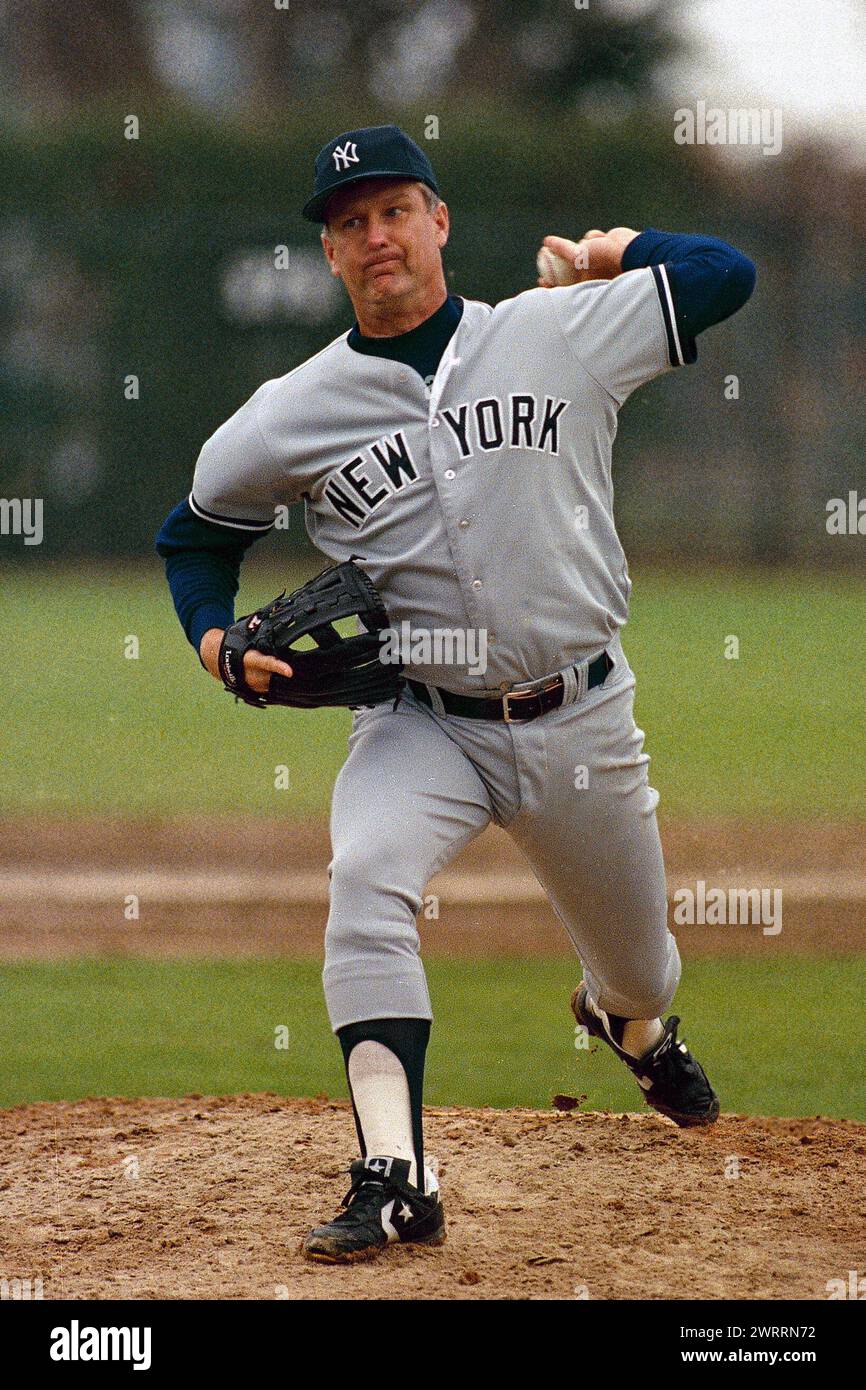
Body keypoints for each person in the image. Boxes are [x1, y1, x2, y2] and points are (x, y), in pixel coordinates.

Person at [156, 125, 756, 1264]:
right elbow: (192, 537)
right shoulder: (292, 410)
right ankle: (394, 1173)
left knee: (642, 968)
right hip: (419, 719)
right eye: (347, 224)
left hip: (578, 716)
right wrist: (214, 642)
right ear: (330, 255)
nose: (372, 236)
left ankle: (625, 1024)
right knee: (365, 876)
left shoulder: (553, 333)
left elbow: (725, 273)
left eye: (392, 212)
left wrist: (612, 250)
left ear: (437, 222)